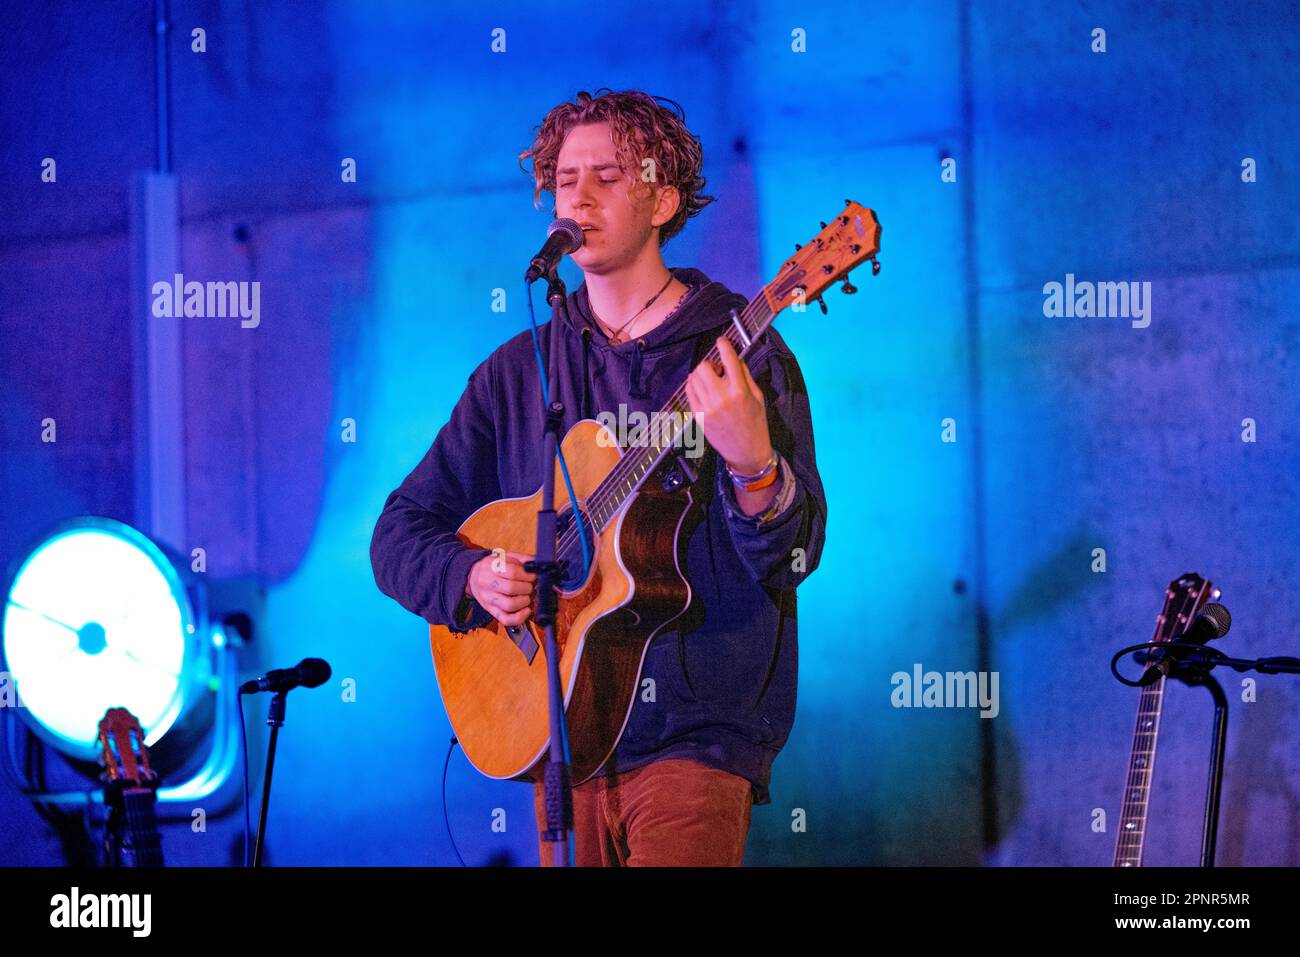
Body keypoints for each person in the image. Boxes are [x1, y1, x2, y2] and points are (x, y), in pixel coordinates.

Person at [369, 88, 826, 866]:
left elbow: (793, 557)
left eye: (607, 176)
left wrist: (754, 464)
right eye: (564, 177)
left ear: (664, 199)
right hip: (560, 743)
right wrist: (471, 575)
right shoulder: (520, 372)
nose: (576, 195)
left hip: (694, 742)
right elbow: (396, 533)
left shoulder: (739, 353)